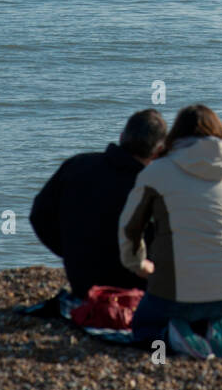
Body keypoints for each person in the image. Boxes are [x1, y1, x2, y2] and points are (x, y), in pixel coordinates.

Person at [120, 104, 222, 358]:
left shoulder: (156, 172)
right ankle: (214, 324)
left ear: (175, 135)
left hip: (175, 295)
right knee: (205, 304)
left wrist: (136, 263)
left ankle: (175, 336)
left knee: (143, 328)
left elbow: (130, 227)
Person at [29, 109, 167, 298]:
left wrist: (71, 251)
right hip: (133, 289)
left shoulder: (77, 165)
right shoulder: (154, 189)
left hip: (83, 284)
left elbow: (39, 215)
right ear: (159, 152)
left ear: (121, 137)